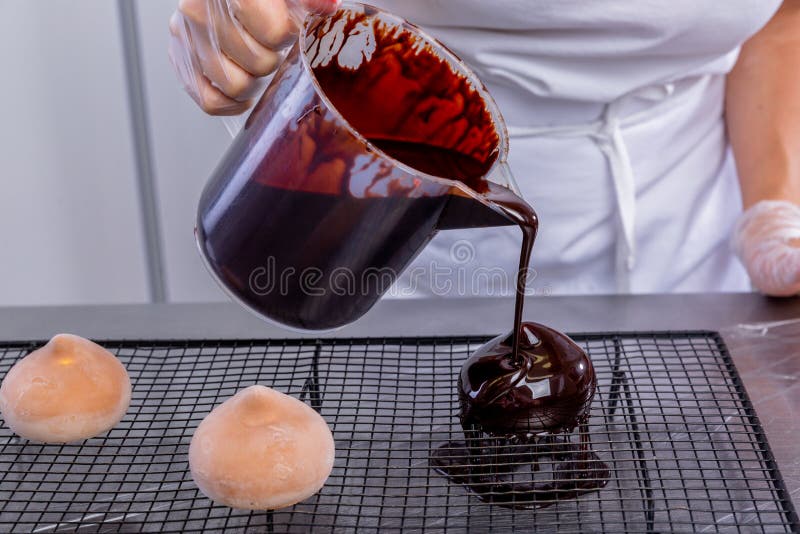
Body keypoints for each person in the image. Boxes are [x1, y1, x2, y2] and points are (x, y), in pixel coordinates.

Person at [168, 0, 800, 297]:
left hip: (695, 263)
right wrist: (235, 17)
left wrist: (774, 207)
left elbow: (778, 19)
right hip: (381, 242)